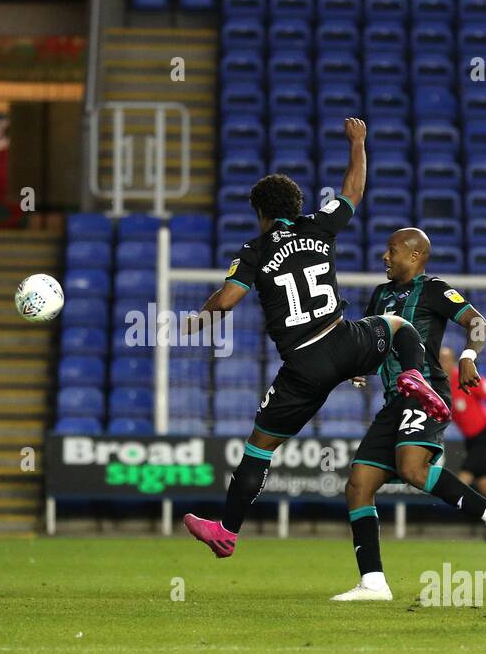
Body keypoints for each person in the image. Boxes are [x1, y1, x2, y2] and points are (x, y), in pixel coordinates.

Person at [180, 118, 446, 558]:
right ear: (295, 204)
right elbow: (353, 191)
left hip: (303, 367)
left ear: (261, 213)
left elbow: (226, 301)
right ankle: (414, 376)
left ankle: (227, 530)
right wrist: (358, 143)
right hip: (343, 339)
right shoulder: (317, 226)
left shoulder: (254, 250)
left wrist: (197, 319)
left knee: (259, 449)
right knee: (400, 326)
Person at [332, 228, 486, 602]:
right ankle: (373, 582)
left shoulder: (433, 289)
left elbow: (477, 323)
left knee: (412, 468)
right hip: (393, 401)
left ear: (415, 256)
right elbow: (372, 342)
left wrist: (468, 356)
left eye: (392, 250)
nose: (385, 257)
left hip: (426, 394)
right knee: (358, 486)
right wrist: (355, 364)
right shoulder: (380, 295)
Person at [439, 345, 486, 502]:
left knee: (462, 480)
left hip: (485, 436)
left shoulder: (465, 378)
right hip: (471, 440)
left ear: (453, 362)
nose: (442, 364)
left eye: (445, 360)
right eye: (440, 360)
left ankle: (442, 515)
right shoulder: (441, 387)